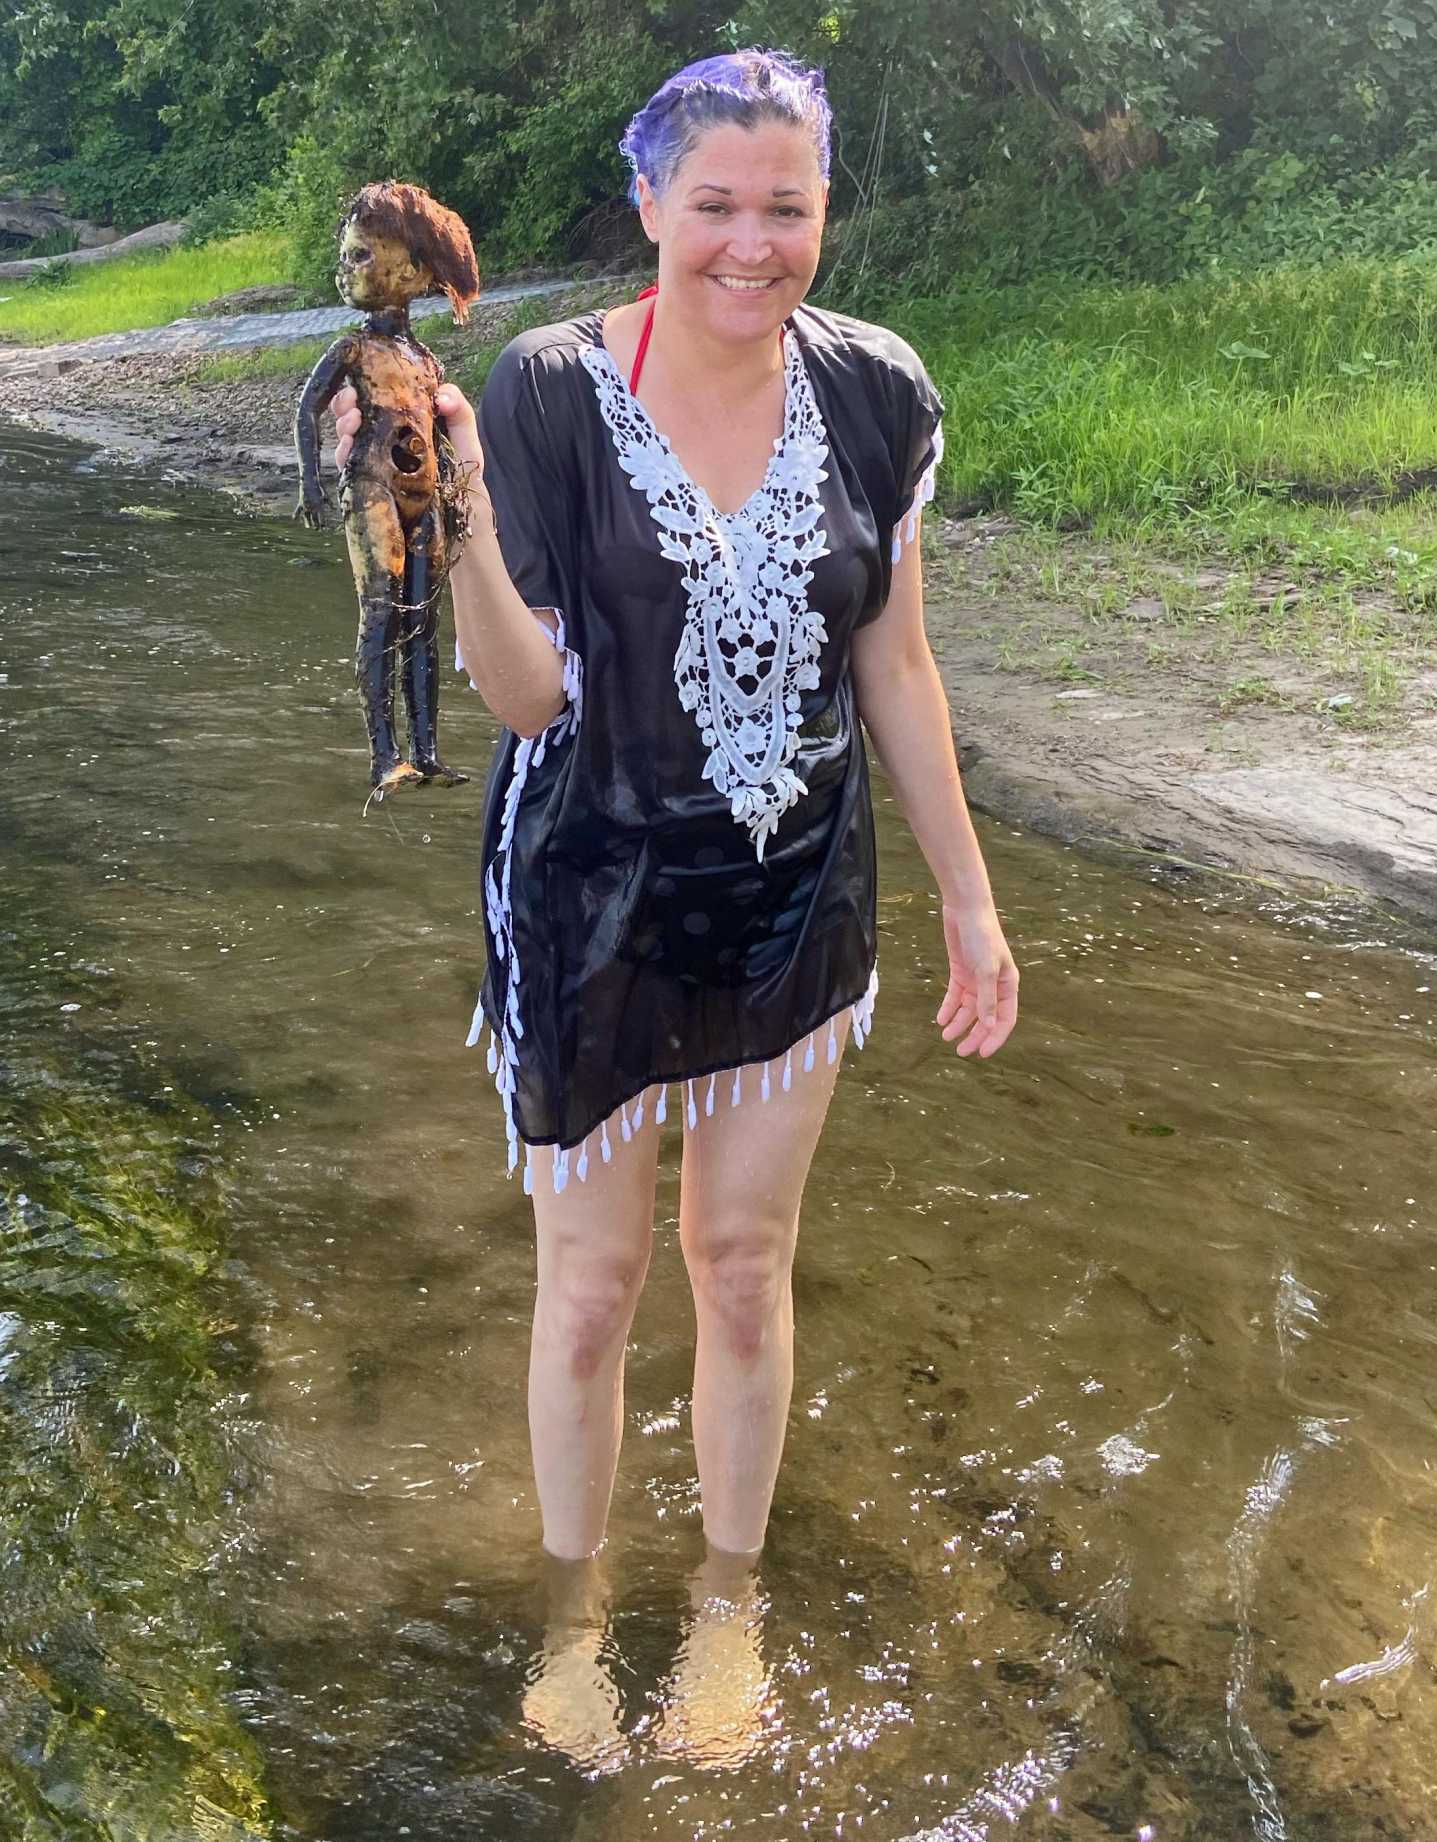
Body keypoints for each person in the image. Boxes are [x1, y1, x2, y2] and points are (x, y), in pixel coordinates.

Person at [331, 46, 1018, 1767]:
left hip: (793, 897)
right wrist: (456, 509)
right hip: (589, 893)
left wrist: (972, 901)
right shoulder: (548, 393)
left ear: (824, 210)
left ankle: (726, 1606)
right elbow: (527, 697)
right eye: (715, 204)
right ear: (648, 206)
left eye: (787, 206)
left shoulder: (880, 389)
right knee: (592, 1286)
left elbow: (897, 664)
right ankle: (573, 1623)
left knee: (741, 1263)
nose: (752, 243)